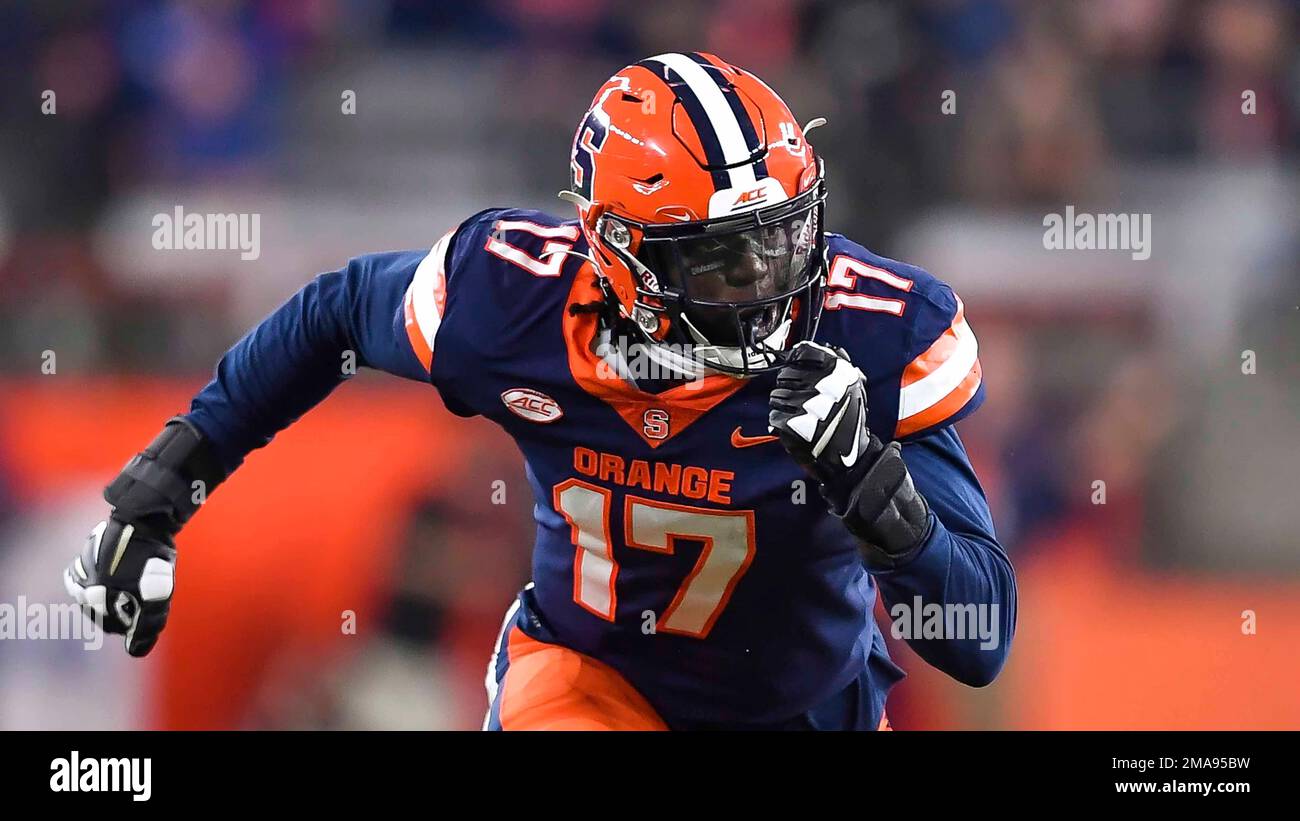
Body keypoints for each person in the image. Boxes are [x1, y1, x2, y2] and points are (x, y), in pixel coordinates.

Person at [65, 52, 1016, 730]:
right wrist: (164, 485)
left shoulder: (874, 332)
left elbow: (981, 638)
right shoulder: (513, 300)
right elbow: (335, 316)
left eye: (786, 237)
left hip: (808, 709)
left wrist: (877, 498)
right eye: (724, 261)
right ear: (621, 256)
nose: (771, 285)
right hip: (591, 683)